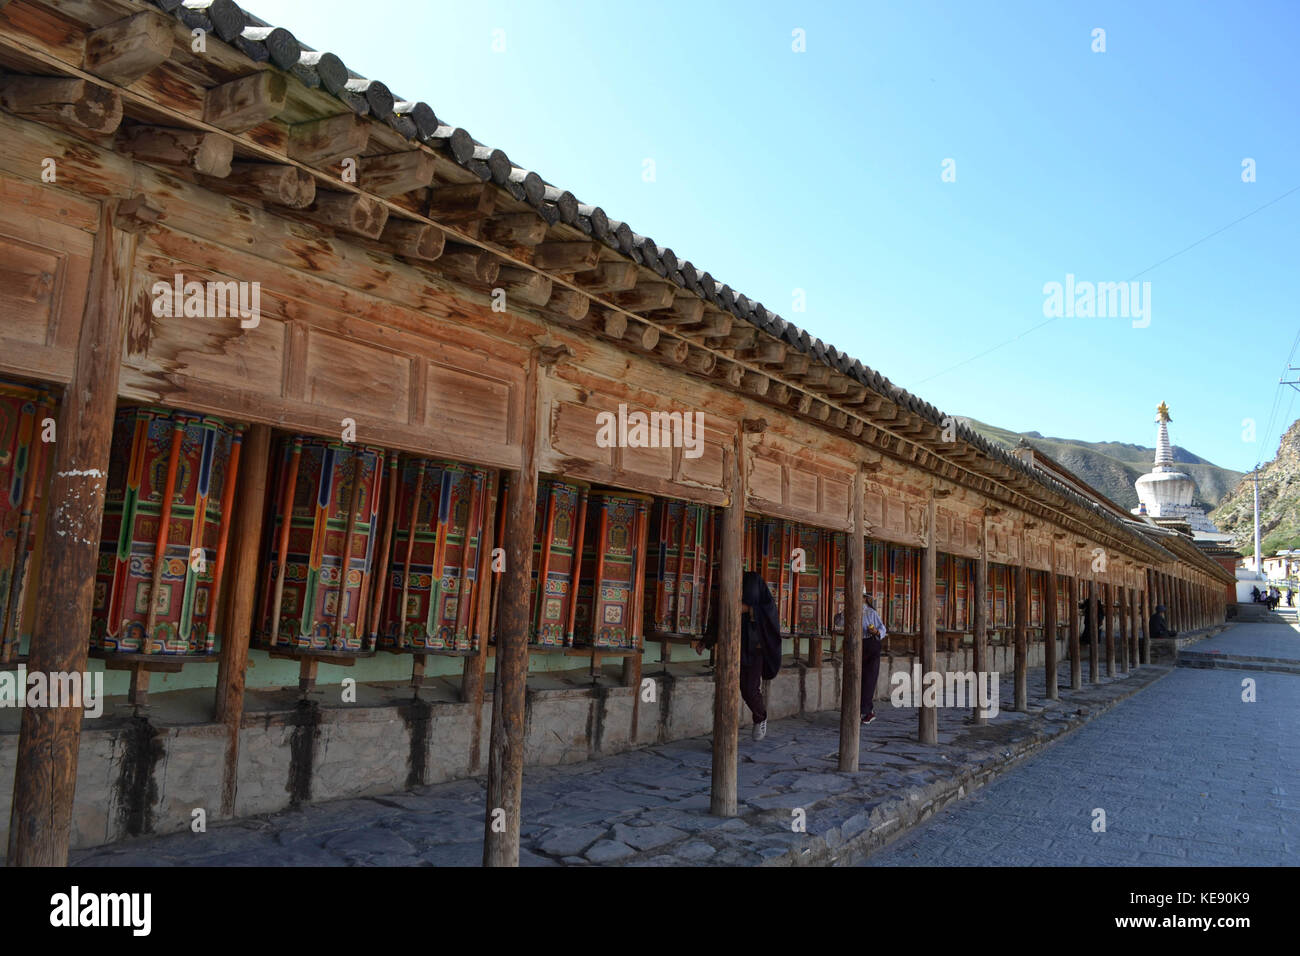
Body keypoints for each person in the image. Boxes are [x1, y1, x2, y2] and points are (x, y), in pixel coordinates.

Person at [694, 571, 782, 741]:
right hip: (731, 646)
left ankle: (760, 717)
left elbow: (769, 614)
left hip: (755, 648)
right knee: (726, 688)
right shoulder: (724, 585)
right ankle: (723, 735)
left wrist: (749, 609)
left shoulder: (754, 582)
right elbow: (718, 616)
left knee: (749, 689)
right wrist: (706, 641)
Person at [860, 589, 888, 725]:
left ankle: (867, 711)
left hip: (870, 645)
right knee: (855, 679)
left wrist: (876, 631)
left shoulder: (871, 613)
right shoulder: (848, 612)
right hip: (856, 646)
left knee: (868, 679)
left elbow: (882, 629)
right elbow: (838, 621)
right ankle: (859, 709)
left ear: (864, 598)